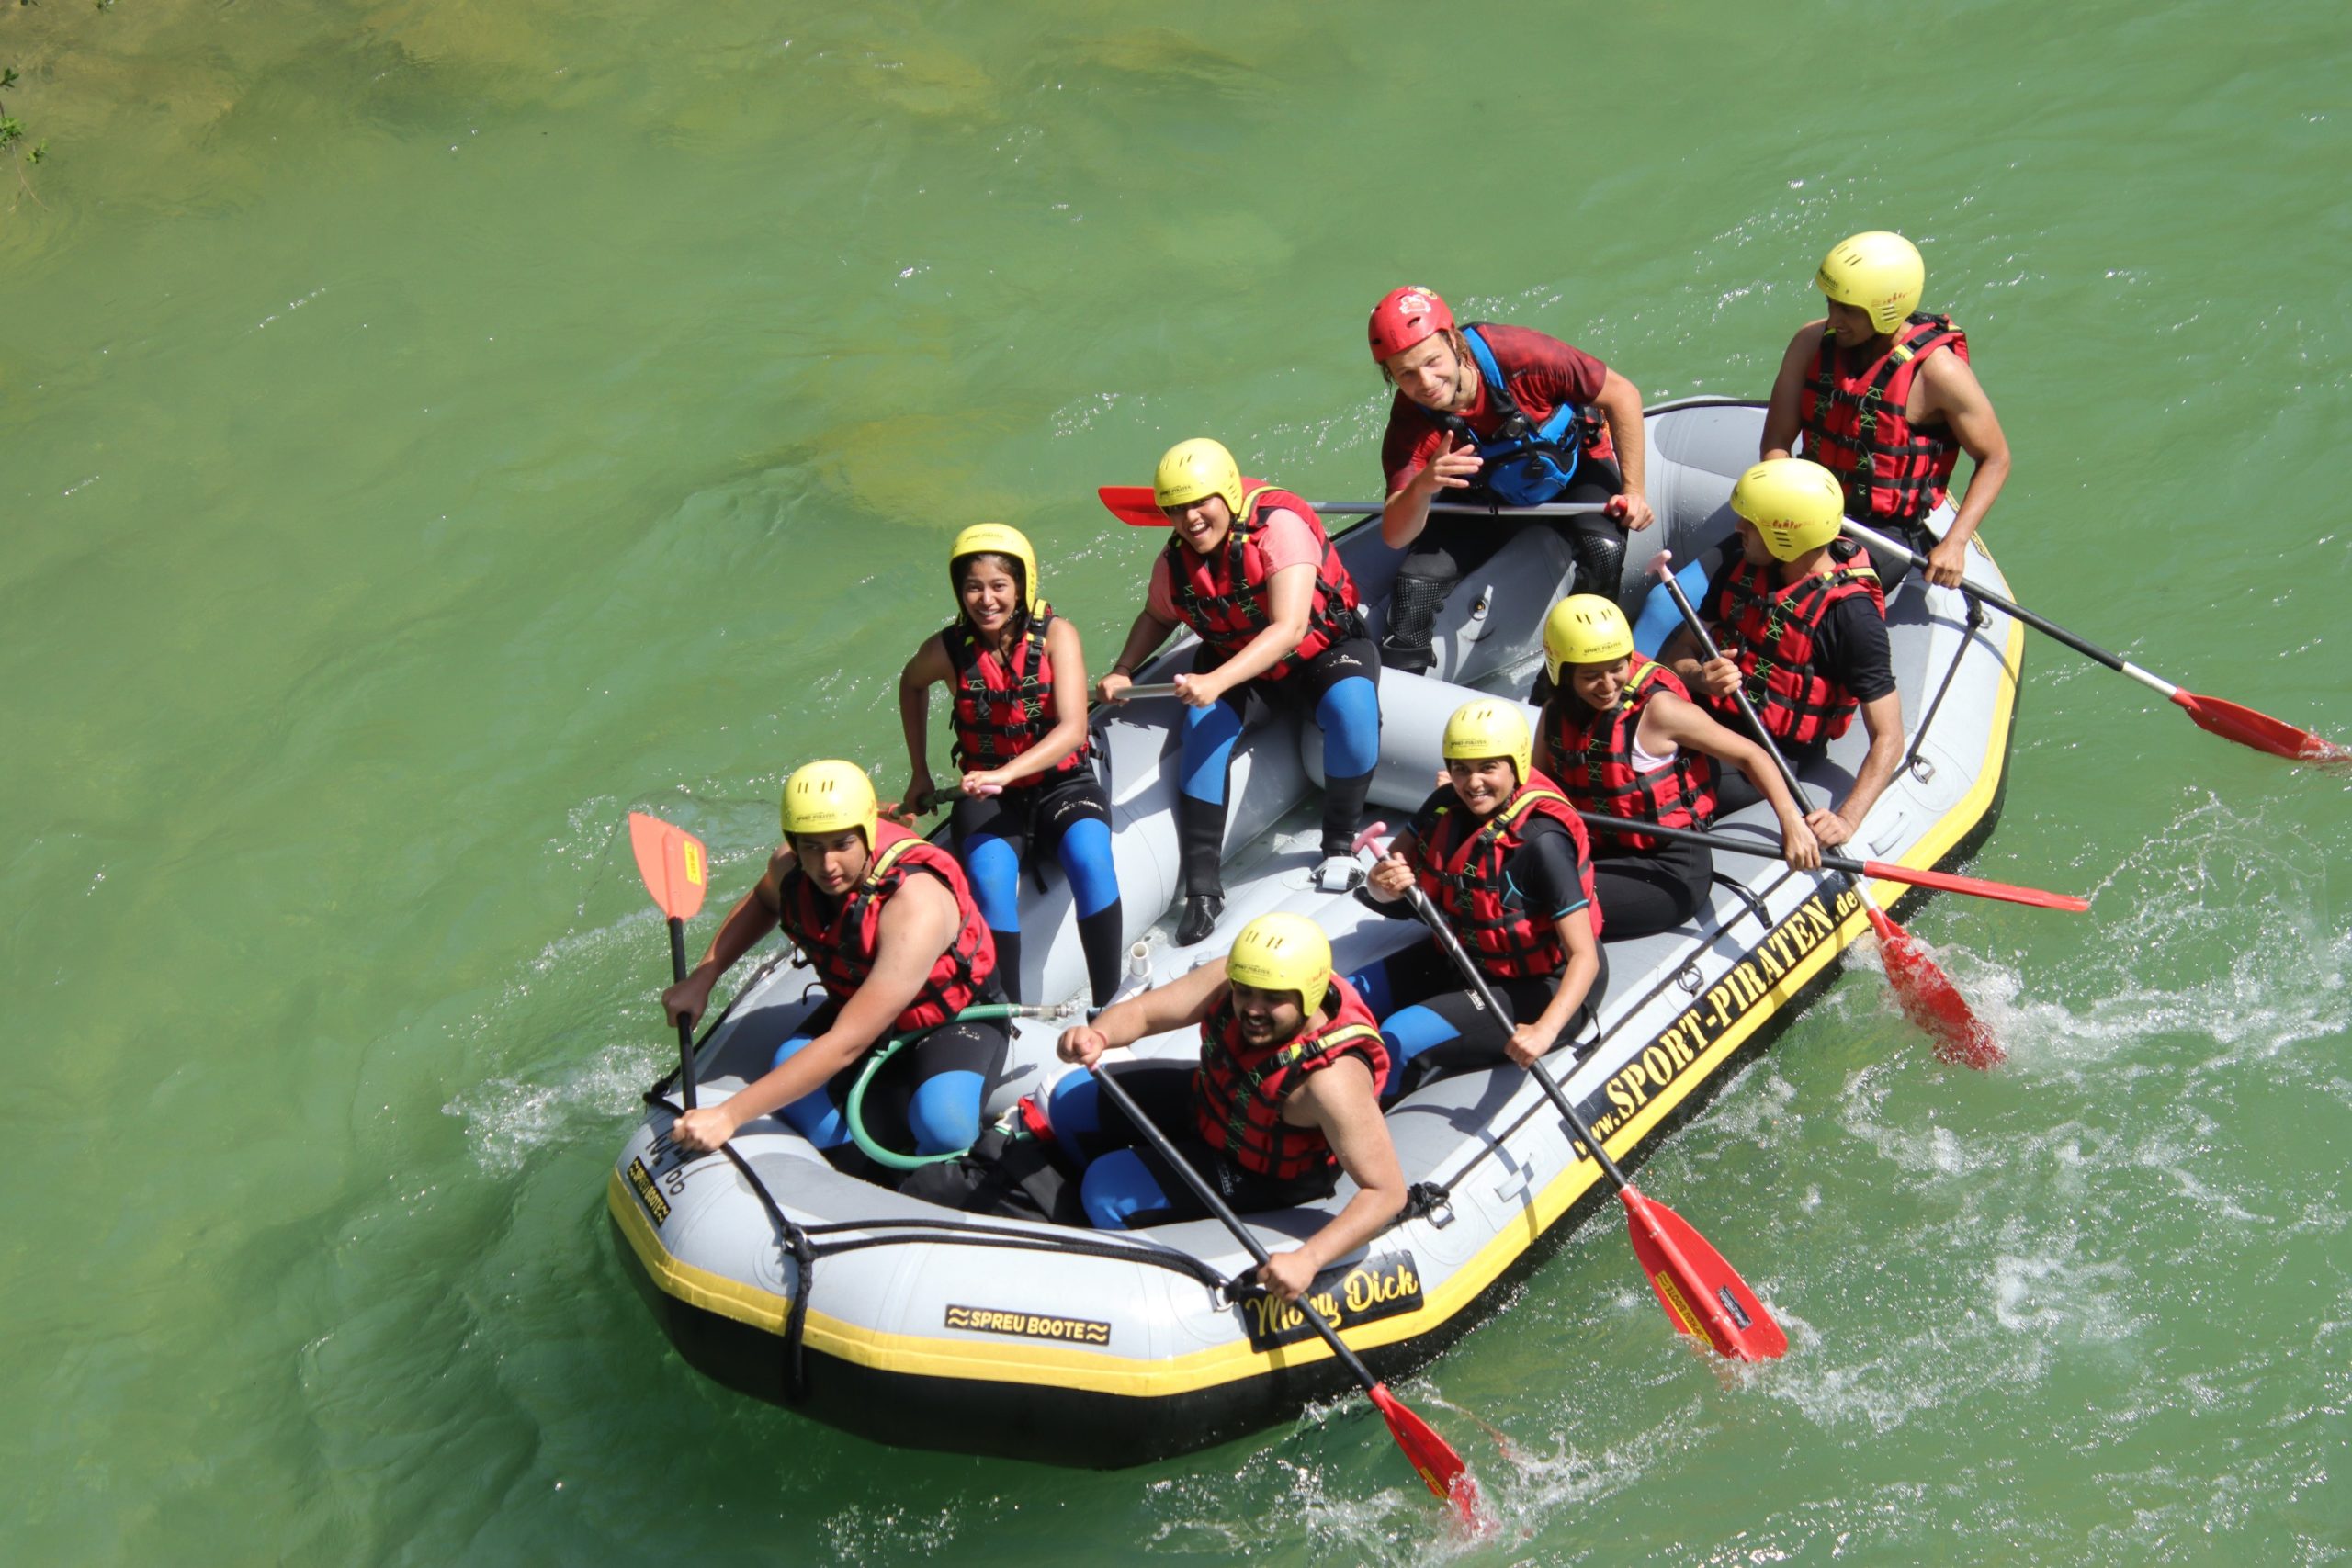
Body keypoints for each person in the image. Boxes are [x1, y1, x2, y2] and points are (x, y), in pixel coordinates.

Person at [1097, 438, 1382, 945]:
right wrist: (1122, 669)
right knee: (1202, 732)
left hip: (1319, 654)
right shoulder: (1174, 562)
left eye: (1199, 502)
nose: (1189, 518)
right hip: (1236, 661)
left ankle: (1339, 843)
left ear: (1228, 493)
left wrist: (1215, 681)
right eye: (1176, 509)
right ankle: (1203, 890)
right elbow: (1157, 616)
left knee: (1353, 710)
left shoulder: (1279, 530)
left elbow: (1290, 628)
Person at [662, 761, 1005, 1169]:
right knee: (795, 1082)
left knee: (943, 1124)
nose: (827, 865)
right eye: (812, 847)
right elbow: (763, 903)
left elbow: (848, 1041)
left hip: (953, 1017)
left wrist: (728, 1115)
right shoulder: (790, 866)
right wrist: (704, 976)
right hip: (860, 1003)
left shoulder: (915, 905)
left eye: (842, 844)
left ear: (867, 833)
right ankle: (868, 1172)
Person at [1046, 913, 1404, 1303]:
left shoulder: (1332, 1083)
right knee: (1069, 1103)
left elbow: (1386, 1192)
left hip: (1261, 1173)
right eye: (1244, 992)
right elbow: (1145, 1013)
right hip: (1213, 1105)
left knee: (1104, 1190)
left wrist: (1309, 1259)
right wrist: (1098, 1036)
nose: (1252, 1009)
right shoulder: (1228, 978)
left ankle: (1134, 1269)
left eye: (1273, 998)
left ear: (1309, 995)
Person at [1368, 285, 1654, 673]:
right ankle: (1406, 692)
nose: (1427, 382)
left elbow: (1622, 395)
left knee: (1604, 550)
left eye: (1433, 361)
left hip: (1574, 472)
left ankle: (1580, 674)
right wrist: (1423, 486)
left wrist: (1634, 491)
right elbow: (1395, 535)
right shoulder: (1410, 422)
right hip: (1486, 499)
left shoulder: (1520, 355)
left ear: (1454, 341)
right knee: (1414, 587)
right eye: (1407, 374)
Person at [896, 524, 1124, 1007]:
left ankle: (1110, 1003)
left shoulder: (1058, 635)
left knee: (1091, 858)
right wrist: (919, 770)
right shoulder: (945, 650)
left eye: (999, 585)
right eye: (973, 587)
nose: (986, 600)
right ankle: (1007, 1015)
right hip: (990, 798)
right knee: (990, 879)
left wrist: (1005, 773)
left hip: (1064, 783)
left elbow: (1072, 731)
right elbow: (911, 683)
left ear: (1021, 586)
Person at [1532, 595, 1822, 941]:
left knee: (1542, 904)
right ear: (1564, 674)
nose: (1608, 685)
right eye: (1591, 676)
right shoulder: (1554, 713)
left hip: (1670, 868)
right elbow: (1537, 789)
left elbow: (1751, 756)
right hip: (1605, 850)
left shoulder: (1661, 711)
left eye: (1616, 669)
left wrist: (1791, 822)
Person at [1358, 699, 1606, 1099]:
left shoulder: (1543, 842)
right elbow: (1382, 884)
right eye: (1461, 769)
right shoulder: (1443, 805)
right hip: (1464, 954)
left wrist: (1544, 1031)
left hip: (1542, 984)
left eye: (1488, 767)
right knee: (1345, 996)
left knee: (1399, 1036)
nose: (1473, 783)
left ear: (1516, 765)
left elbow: (1585, 957)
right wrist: (1380, 885)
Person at [1657, 459, 1902, 851]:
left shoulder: (1852, 618)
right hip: (1704, 719)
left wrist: (1847, 819)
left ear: (1786, 535)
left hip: (1772, 754)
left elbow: (1889, 737)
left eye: (1751, 523)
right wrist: (1700, 677)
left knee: (1655, 789)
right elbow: (1678, 654)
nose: (1738, 528)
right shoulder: (1740, 567)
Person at [1759, 231, 2011, 592]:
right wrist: (1781, 509)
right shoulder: (1810, 343)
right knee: (1720, 580)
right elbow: (1777, 441)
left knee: (1811, 597)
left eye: (1848, 310)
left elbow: (1995, 458)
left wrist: (1955, 543)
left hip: (1885, 532)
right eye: (1831, 303)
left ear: (1886, 309)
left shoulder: (1939, 373)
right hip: (1808, 507)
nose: (1834, 319)